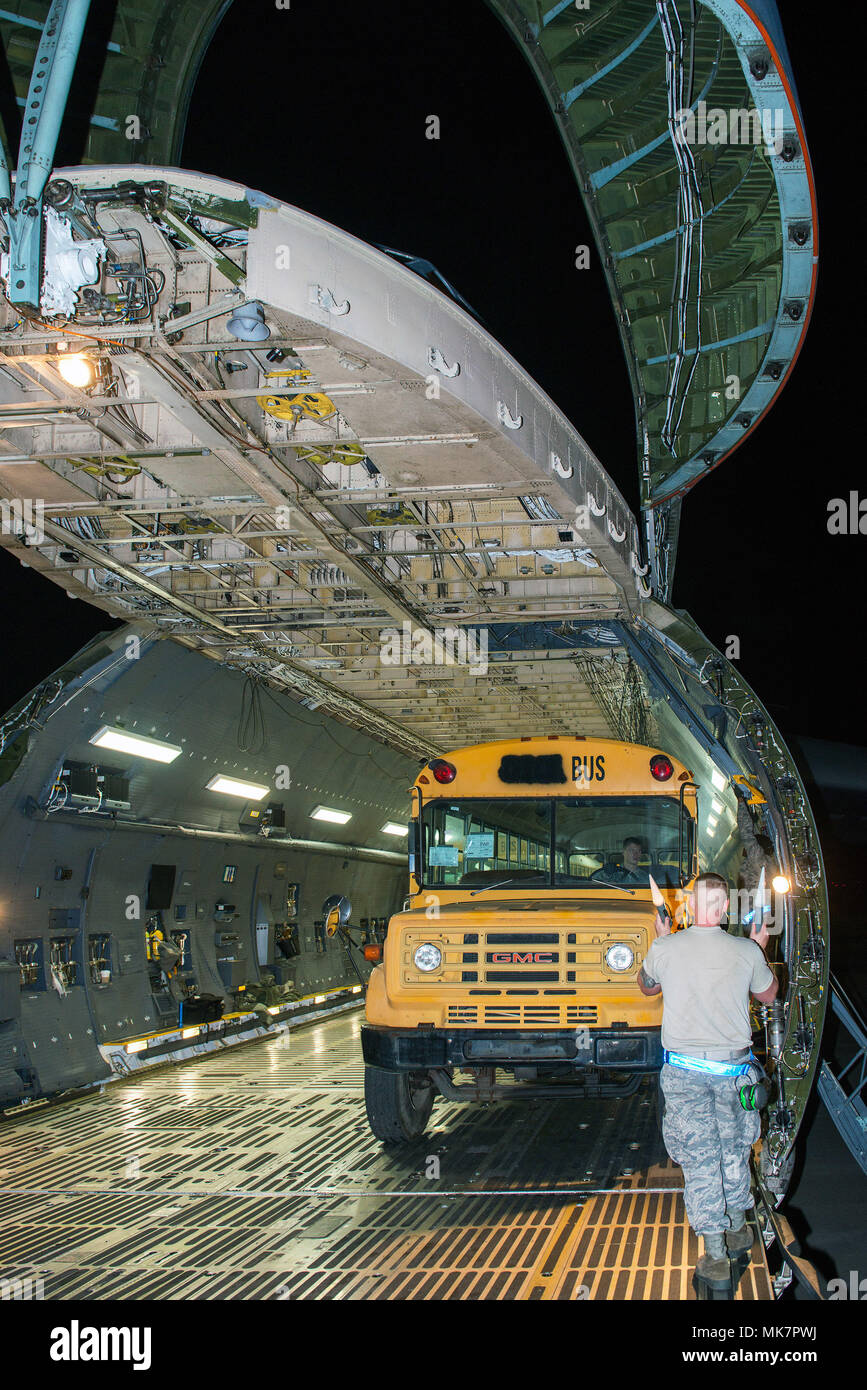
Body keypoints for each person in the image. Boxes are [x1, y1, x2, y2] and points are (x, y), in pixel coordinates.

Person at [637, 870, 778, 1285]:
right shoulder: (745, 950)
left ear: (689, 907)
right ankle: (738, 1229)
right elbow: (769, 994)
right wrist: (758, 949)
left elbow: (646, 987)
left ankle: (715, 1256)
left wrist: (661, 936)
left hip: (684, 1075)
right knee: (734, 1151)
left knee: (700, 1160)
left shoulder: (666, 946)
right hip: (735, 1074)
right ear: (725, 909)